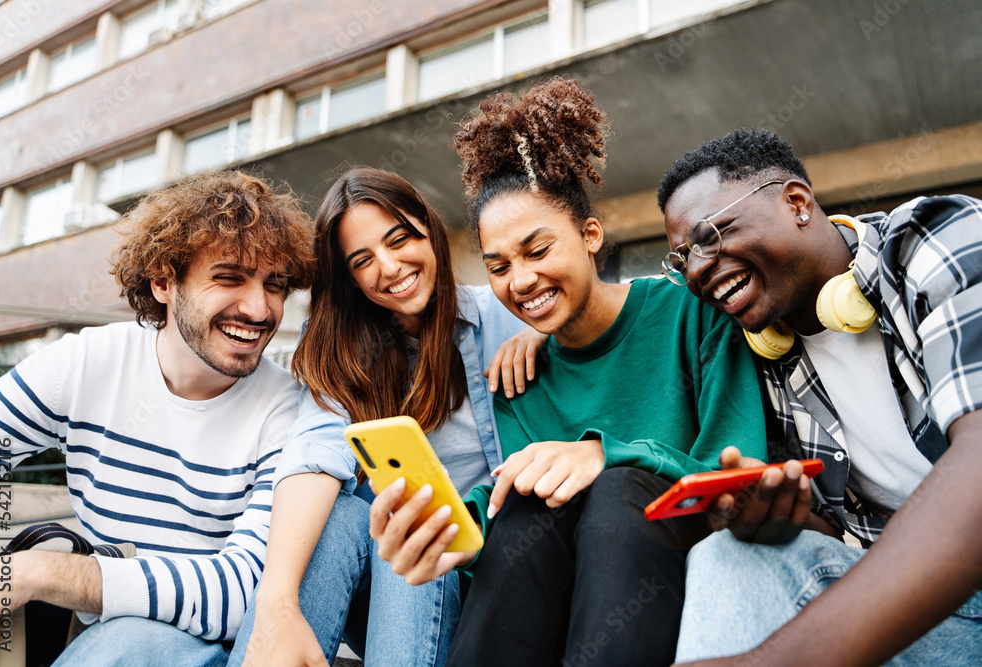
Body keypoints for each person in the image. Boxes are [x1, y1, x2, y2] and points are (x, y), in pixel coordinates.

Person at [371, 79, 769, 667]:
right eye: (499, 266)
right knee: (527, 505)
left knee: (614, 490)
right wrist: (451, 530)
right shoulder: (518, 377)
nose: (521, 281)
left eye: (537, 251)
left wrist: (606, 456)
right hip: (573, 592)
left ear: (589, 237)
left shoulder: (692, 309)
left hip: (688, 560)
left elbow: (737, 471)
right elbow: (522, 527)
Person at [658, 128, 982, 666]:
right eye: (682, 258)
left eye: (710, 236)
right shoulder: (764, 350)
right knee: (729, 554)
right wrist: (778, 518)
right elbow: (841, 530)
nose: (695, 270)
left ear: (796, 203)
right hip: (922, 610)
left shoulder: (936, 238)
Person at [0, 171, 315, 665]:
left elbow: (247, 592)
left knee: (132, 638)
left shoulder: (286, 412)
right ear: (164, 281)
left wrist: (38, 573)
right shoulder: (86, 363)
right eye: (229, 278)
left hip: (212, 646)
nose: (260, 308)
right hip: (101, 636)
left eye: (275, 285)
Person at [229, 168, 542, 666]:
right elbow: (314, 453)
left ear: (427, 228)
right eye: (362, 260)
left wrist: (549, 330)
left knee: (417, 516)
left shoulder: (509, 312)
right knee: (359, 512)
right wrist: (275, 601)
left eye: (399, 239)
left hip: (493, 577)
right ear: (349, 278)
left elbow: (621, 301)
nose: (391, 267)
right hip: (398, 590)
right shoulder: (343, 349)